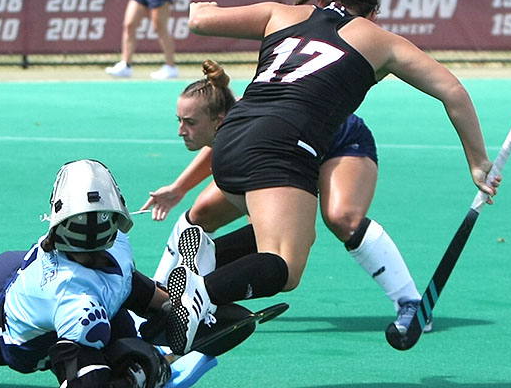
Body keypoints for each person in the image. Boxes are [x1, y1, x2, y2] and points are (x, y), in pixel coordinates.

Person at [162, 0, 498, 355]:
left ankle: (175, 288)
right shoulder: (381, 41)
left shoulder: (281, 13)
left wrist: (205, 8)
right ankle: (193, 298)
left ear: (322, 0)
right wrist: (478, 162)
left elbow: (198, 20)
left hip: (232, 138)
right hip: (283, 148)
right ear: (372, 13)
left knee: (262, 230)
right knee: (284, 266)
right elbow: (453, 91)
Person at [0, 159, 262, 388]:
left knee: (119, 332)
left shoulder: (111, 248)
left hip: (14, 273)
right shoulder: (78, 298)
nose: (92, 249)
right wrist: (142, 374)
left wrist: (171, 308)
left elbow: (125, 282)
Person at [140, 59, 425, 336]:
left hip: (335, 146)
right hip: (280, 157)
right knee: (201, 213)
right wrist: (179, 187)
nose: (181, 131)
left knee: (341, 219)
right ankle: (161, 292)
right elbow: (219, 144)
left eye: (189, 122)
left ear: (220, 120)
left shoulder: (245, 128)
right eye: (180, 121)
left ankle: (410, 303)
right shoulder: (232, 123)